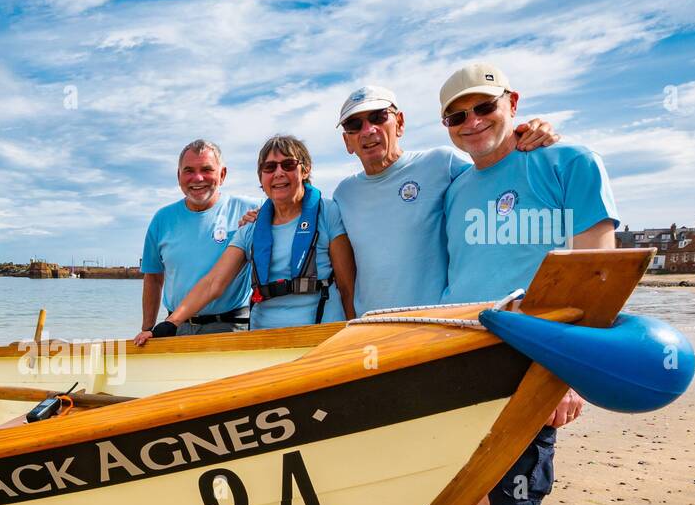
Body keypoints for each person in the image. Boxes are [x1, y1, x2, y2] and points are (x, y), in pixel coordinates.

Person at [431, 62, 618, 505]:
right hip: (463, 357)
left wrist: (570, 368)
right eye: (457, 116)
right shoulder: (457, 188)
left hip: (534, 360)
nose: (472, 123)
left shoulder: (566, 162)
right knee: (466, 494)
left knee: (518, 500)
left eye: (484, 108)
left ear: (512, 102)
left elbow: (598, 272)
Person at [329, 85, 559, 315]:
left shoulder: (441, 164)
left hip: (435, 325)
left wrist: (531, 133)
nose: (368, 130)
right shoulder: (343, 194)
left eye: (378, 117)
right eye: (354, 125)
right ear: (347, 141)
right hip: (369, 328)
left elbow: (498, 171)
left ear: (399, 123)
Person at [136, 135, 354, 343]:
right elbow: (214, 283)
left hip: (319, 333)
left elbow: (347, 284)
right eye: (269, 167)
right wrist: (169, 324)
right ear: (261, 177)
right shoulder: (251, 226)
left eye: (288, 165)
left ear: (305, 170)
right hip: (263, 337)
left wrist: (354, 333)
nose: (278, 173)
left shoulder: (327, 212)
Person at [137, 140, 261, 339]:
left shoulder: (253, 209)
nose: (198, 178)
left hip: (232, 328)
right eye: (188, 171)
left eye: (207, 169)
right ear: (179, 176)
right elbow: (153, 277)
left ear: (222, 174)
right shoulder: (162, 219)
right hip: (175, 329)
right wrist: (147, 328)